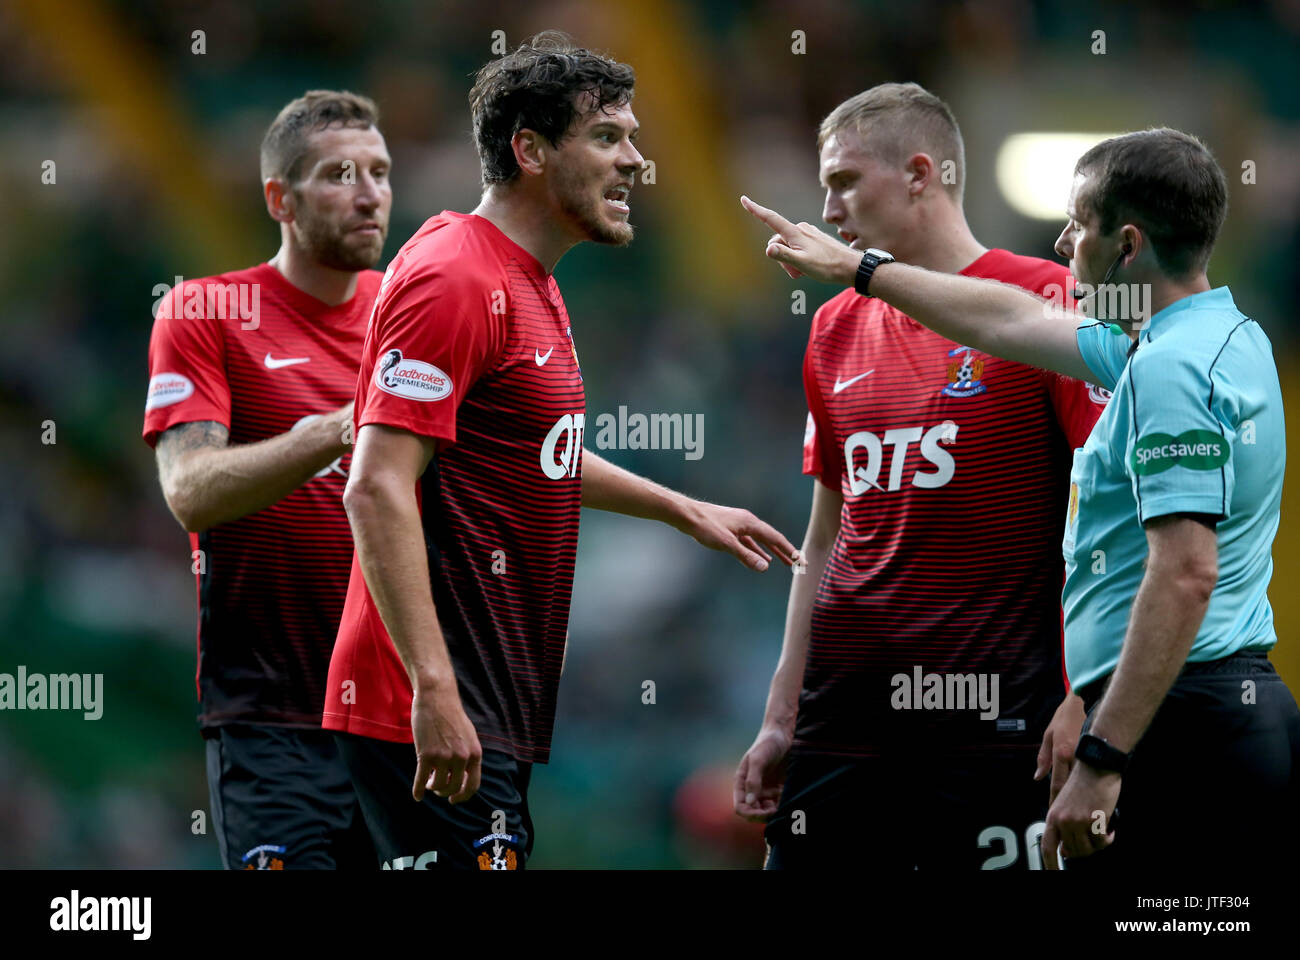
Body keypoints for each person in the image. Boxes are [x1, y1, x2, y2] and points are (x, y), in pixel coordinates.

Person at [742, 126, 1299, 871]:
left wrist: (1102, 754)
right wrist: (859, 270)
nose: (1065, 245)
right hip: (1206, 710)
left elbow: (1185, 572)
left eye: (1079, 225)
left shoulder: (1172, 368)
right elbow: (1009, 320)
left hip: (1185, 723)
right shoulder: (1202, 339)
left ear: (1127, 247)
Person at [323, 32, 797, 871]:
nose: (636, 163)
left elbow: (530, 452)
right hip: (427, 706)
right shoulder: (454, 277)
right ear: (531, 151)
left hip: (484, 703)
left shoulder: (529, 282)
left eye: (635, 139)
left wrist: (680, 508)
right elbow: (376, 486)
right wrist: (433, 689)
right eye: (609, 139)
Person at [731, 83, 1107, 870]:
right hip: (846, 727)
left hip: (999, 724)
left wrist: (1091, 696)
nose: (827, 209)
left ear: (919, 173)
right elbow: (828, 536)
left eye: (843, 182)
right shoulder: (833, 326)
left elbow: (1110, 519)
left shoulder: (1042, 302)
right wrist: (781, 711)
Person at [143, 90, 391, 869]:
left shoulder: (407, 310)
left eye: (381, 172)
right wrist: (324, 433)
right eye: (340, 174)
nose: (369, 194)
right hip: (274, 721)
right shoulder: (206, 310)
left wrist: (678, 507)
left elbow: (521, 453)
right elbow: (190, 489)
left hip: (408, 720)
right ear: (279, 199)